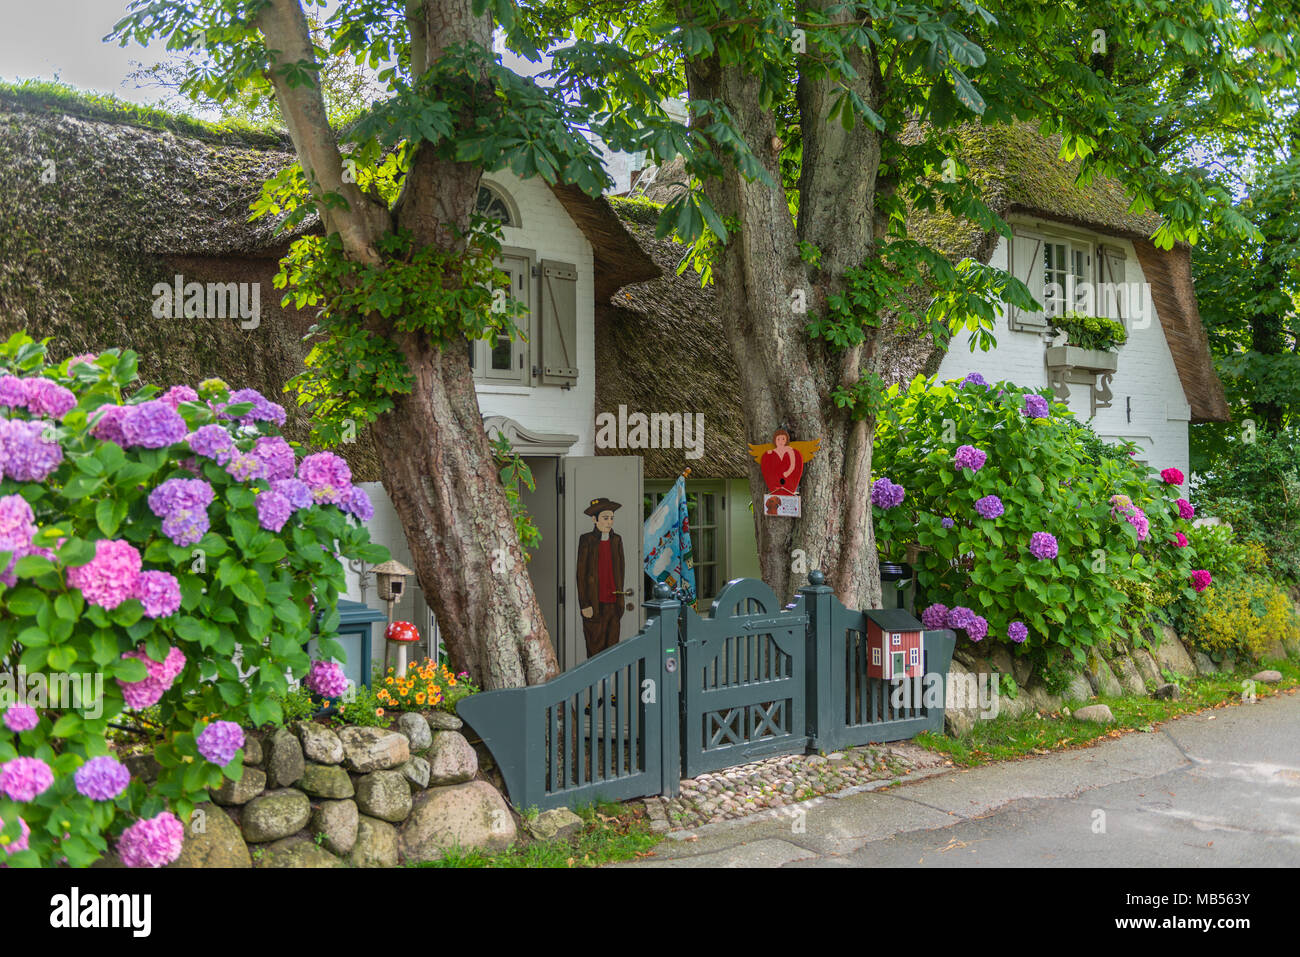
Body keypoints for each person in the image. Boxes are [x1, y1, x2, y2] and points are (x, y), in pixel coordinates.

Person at [576, 497, 625, 658]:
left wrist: (621, 600)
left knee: (612, 650)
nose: (609, 522)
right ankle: (594, 683)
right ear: (594, 519)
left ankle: (611, 683)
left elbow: (620, 571)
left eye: (611, 518)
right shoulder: (587, 540)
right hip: (594, 605)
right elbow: (581, 575)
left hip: (613, 605)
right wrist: (584, 604)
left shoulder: (616, 540)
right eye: (605, 518)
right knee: (595, 649)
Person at [760, 428, 804, 494]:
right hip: (775, 482)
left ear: (786, 440)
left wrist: (788, 472)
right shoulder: (771, 452)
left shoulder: (790, 450)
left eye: (783, 439)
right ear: (775, 440)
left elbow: (793, 464)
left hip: (788, 480)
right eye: (778, 439)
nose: (781, 441)